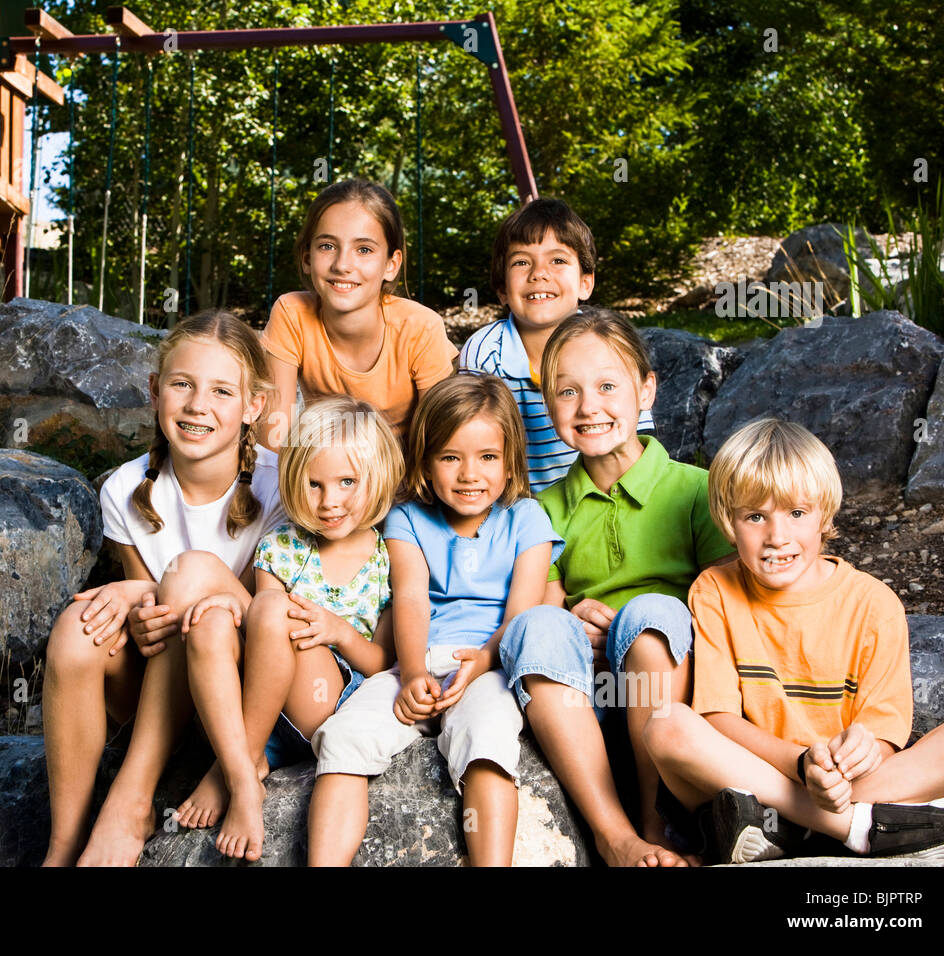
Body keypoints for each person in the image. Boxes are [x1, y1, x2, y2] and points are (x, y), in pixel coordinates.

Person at [643, 418, 944, 863]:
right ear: (728, 521)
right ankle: (860, 830)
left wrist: (856, 755)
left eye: (796, 513)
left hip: (847, 785)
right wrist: (801, 763)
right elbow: (718, 718)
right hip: (749, 781)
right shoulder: (714, 590)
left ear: (824, 516)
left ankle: (797, 830)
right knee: (667, 725)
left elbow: (884, 736)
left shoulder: (875, 604)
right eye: (755, 516)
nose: (777, 537)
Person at [40, 310, 284, 867]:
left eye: (222, 390)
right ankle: (64, 842)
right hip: (165, 695)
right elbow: (150, 623)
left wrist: (172, 588)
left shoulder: (279, 487)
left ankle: (131, 802)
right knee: (77, 630)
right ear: (155, 391)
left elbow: (268, 612)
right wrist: (137, 599)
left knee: (194, 572)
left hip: (242, 692)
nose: (198, 405)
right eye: (182, 385)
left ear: (253, 407)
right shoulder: (125, 489)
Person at [498, 310, 734, 866]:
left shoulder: (700, 491)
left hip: (674, 687)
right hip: (585, 695)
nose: (589, 407)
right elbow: (539, 611)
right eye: (567, 392)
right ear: (547, 404)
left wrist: (632, 631)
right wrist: (572, 622)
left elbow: (729, 610)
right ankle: (615, 834)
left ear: (646, 390)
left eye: (607, 386)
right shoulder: (539, 511)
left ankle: (659, 818)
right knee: (536, 624)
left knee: (650, 616)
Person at [308, 374, 562, 866]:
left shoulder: (528, 519)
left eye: (488, 457)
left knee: (485, 745)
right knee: (342, 740)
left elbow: (523, 613)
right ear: (424, 461)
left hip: (492, 664)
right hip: (417, 659)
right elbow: (410, 599)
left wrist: (484, 662)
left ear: (510, 462)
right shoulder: (408, 520)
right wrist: (413, 673)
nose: (470, 474)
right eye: (450, 457)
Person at [189, 396, 404, 861]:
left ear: (378, 476)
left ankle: (232, 770)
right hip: (269, 708)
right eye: (314, 484)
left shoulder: (388, 555)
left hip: (330, 704)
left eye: (348, 482)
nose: (329, 502)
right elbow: (257, 640)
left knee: (272, 610)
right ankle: (249, 760)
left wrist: (340, 632)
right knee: (253, 613)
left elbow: (385, 662)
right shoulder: (280, 547)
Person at [458, 198, 652, 492]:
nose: (539, 273)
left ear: (586, 283)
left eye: (558, 260)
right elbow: (471, 447)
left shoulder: (608, 341)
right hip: (519, 508)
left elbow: (638, 437)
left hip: (610, 495)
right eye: (521, 262)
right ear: (502, 290)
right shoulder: (485, 353)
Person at [260, 178, 458, 449]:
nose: (342, 265)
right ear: (307, 258)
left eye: (363, 250)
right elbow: (274, 435)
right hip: (331, 470)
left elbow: (439, 444)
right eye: (327, 246)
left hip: (406, 473)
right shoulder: (292, 314)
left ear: (391, 264)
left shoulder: (420, 328)